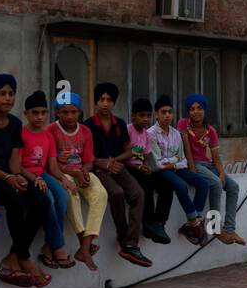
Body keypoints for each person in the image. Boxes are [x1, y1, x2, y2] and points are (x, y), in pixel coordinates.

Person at [0, 74, 49, 288]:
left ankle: (14, 255)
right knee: (15, 203)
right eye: (2, 94)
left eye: (11, 94)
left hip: (10, 176)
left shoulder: (15, 123)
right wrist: (7, 177)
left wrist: (19, 177)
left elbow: (14, 159)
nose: (7, 98)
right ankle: (23, 257)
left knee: (41, 200)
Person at [84, 82, 152, 266]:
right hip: (98, 169)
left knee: (138, 193)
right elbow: (87, 155)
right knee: (116, 193)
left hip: (117, 166)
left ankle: (131, 242)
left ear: (114, 103)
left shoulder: (119, 123)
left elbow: (129, 151)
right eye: (101, 99)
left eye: (109, 100)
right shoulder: (88, 125)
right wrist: (104, 163)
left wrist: (113, 161)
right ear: (96, 102)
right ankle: (124, 239)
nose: (105, 103)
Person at [50, 91, 108, 270]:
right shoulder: (51, 130)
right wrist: (74, 174)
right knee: (71, 193)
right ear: (57, 113)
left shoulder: (85, 131)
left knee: (100, 194)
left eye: (73, 112)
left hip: (81, 172)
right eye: (65, 112)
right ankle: (82, 241)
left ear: (80, 112)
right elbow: (49, 163)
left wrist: (84, 171)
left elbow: (89, 160)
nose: (69, 116)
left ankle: (85, 246)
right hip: (61, 173)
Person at [178, 93, 245, 245]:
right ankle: (215, 227)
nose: (196, 111)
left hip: (208, 165)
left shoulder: (211, 131)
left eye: (199, 108)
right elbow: (186, 147)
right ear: (188, 112)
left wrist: (221, 173)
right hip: (194, 163)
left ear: (205, 109)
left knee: (233, 186)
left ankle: (229, 228)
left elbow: (215, 156)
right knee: (215, 183)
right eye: (192, 109)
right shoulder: (183, 124)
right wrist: (192, 167)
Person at [20, 91, 70, 275]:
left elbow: (53, 167)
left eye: (43, 112)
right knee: (47, 198)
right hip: (27, 176)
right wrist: (35, 179)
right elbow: (17, 166)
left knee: (63, 196)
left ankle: (48, 246)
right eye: (35, 112)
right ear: (26, 113)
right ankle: (58, 246)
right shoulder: (21, 133)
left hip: (43, 174)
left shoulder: (48, 136)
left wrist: (64, 179)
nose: (40, 117)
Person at [147, 96, 209, 245]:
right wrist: (174, 161)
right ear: (156, 115)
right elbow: (157, 163)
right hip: (161, 173)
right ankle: (194, 222)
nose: (167, 115)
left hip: (175, 169)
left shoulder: (176, 133)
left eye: (169, 112)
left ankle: (192, 223)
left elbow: (182, 159)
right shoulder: (151, 134)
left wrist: (173, 163)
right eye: (163, 112)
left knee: (203, 184)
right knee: (180, 185)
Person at [126, 98, 174, 243]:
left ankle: (158, 223)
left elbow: (145, 156)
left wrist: (145, 165)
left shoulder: (147, 135)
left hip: (141, 169)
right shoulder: (127, 130)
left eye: (148, 115)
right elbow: (123, 156)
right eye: (142, 115)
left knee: (167, 186)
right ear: (133, 116)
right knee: (145, 186)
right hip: (128, 169)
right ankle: (147, 224)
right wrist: (139, 167)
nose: (146, 119)